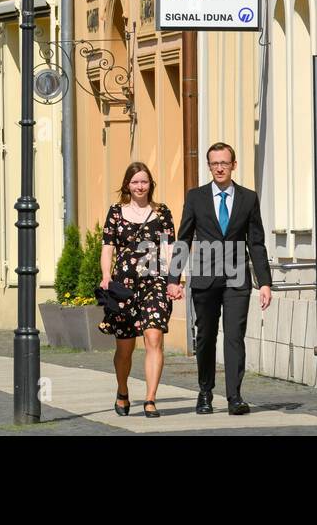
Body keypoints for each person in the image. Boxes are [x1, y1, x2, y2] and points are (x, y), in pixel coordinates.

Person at [167, 141, 272, 416]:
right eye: (214, 163)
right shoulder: (196, 197)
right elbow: (184, 237)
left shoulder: (248, 198)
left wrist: (264, 282)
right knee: (206, 336)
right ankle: (205, 392)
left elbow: (257, 243)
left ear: (233, 165)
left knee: (235, 336)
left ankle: (235, 396)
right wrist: (173, 278)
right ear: (209, 166)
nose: (219, 168)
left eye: (224, 163)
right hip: (204, 277)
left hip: (237, 277)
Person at [99, 162, 175, 419]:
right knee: (125, 348)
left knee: (154, 338)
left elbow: (169, 249)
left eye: (144, 182)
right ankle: (122, 390)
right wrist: (106, 276)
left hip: (155, 282)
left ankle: (150, 399)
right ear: (127, 186)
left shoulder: (162, 212)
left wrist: (174, 280)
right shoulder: (116, 212)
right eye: (135, 182)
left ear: (150, 184)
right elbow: (108, 246)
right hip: (123, 286)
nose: (140, 186)